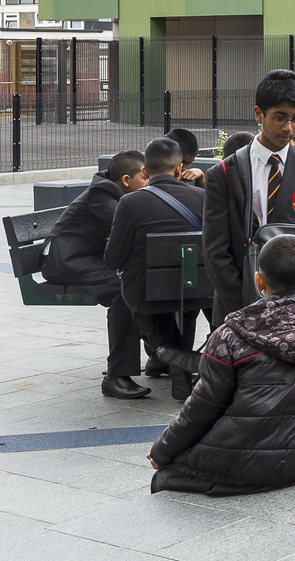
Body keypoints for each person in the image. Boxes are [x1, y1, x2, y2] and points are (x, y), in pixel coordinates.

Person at [146, 234, 295, 495]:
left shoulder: (229, 334)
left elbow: (202, 407)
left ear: (258, 281)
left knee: (164, 478)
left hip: (236, 464)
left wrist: (162, 450)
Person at [203, 69, 295, 325]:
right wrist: (247, 306)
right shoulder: (224, 172)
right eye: (279, 118)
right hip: (240, 306)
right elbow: (215, 251)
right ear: (258, 114)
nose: (289, 128)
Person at [42, 149, 151, 399]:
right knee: (124, 289)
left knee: (143, 280)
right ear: (126, 180)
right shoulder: (102, 193)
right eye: (145, 179)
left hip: (87, 256)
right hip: (65, 260)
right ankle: (116, 376)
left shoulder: (115, 190)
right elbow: (126, 229)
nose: (149, 184)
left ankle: (159, 354)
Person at [106, 138, 210, 399]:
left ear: (144, 171)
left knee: (142, 289)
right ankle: (179, 365)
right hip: (196, 290)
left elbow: (113, 259)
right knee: (185, 290)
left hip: (147, 293)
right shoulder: (202, 196)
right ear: (178, 170)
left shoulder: (130, 204)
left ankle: (164, 351)